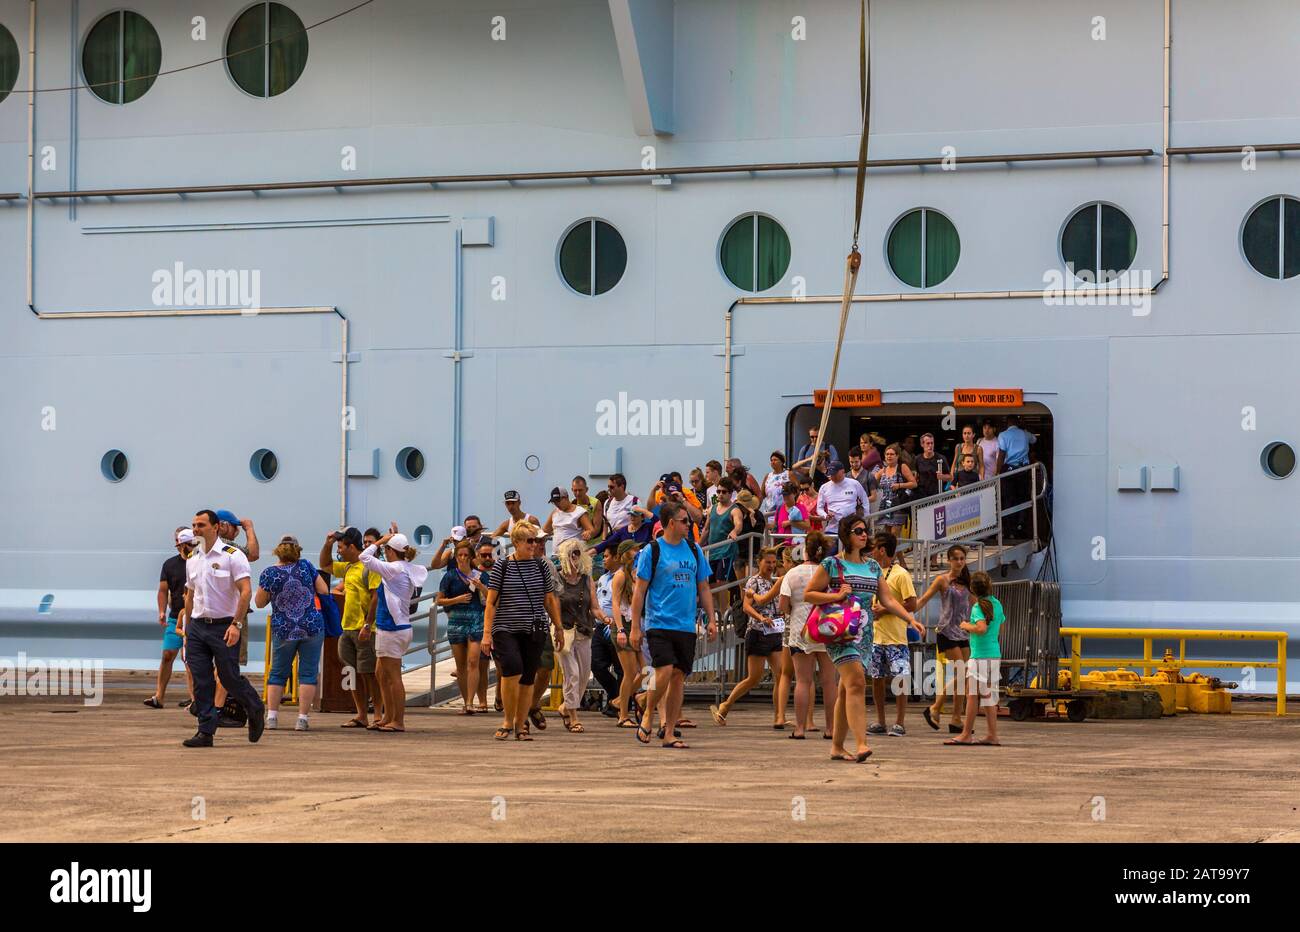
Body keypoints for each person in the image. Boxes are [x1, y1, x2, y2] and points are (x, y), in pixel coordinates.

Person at [802, 516, 920, 762]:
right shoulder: (832, 564)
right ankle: (861, 743)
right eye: (858, 531)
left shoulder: (873, 567)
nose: (864, 535)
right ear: (846, 535)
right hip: (840, 632)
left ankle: (836, 747)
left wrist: (909, 619)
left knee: (847, 690)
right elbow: (809, 594)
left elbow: (887, 600)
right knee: (856, 682)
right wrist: (834, 595)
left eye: (865, 531)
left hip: (865, 635)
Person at [630, 501, 716, 748]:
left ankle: (669, 731)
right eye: (684, 521)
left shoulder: (694, 549)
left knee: (678, 677)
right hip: (659, 622)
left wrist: (711, 618)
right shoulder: (652, 551)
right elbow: (639, 592)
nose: (689, 525)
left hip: (686, 624)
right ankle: (648, 714)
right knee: (664, 670)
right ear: (670, 523)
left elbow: (704, 586)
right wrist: (635, 626)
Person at [179, 510, 265, 747]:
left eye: (202, 525)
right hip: (197, 626)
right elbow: (190, 594)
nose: (196, 529)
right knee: (201, 680)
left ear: (216, 527)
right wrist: (187, 630)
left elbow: (246, 591)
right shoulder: (193, 557)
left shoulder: (233, 555)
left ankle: (254, 707)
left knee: (228, 677)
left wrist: (236, 624)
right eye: (194, 525)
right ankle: (205, 732)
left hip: (224, 626)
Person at [483, 522, 561, 741]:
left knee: (528, 676)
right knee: (512, 668)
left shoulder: (541, 566)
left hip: (534, 627)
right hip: (505, 627)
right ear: (516, 542)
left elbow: (549, 598)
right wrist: (486, 634)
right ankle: (508, 720)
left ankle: (520, 723)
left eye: (535, 540)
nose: (533, 544)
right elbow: (491, 603)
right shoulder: (502, 566)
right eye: (529, 540)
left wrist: (559, 627)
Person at [357, 524, 430, 733]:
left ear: (391, 551)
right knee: (381, 673)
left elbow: (364, 557)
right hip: (391, 627)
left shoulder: (394, 569)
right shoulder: (404, 567)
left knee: (393, 675)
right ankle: (388, 716)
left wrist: (379, 541)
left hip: (393, 628)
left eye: (385, 549)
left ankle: (398, 721)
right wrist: (394, 536)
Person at [255, 535, 328, 731]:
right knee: (308, 673)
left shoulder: (270, 573)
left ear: (278, 550)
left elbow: (259, 602)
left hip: (284, 628)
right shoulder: (306, 566)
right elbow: (324, 590)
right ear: (298, 550)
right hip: (311, 625)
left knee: (278, 672)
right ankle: (302, 719)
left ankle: (271, 717)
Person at [709, 548, 787, 727]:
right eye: (768, 562)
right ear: (759, 562)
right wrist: (760, 618)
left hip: (774, 631)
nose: (771, 566)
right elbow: (746, 607)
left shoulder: (774, 582)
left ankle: (779, 716)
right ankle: (726, 705)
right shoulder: (754, 581)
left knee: (780, 674)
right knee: (753, 678)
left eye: (774, 562)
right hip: (758, 632)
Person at [320, 527, 382, 729]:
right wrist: (328, 544)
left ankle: (378, 714)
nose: (339, 552)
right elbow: (326, 564)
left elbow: (376, 597)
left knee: (369, 673)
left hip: (364, 629)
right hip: (346, 628)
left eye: (340, 547)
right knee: (352, 671)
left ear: (352, 547)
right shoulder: (347, 567)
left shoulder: (369, 568)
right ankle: (361, 714)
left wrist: (367, 624)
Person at [779, 531, 838, 739]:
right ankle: (831, 728)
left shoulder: (792, 574)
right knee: (830, 681)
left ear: (805, 550)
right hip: (827, 629)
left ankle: (800, 728)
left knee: (803, 681)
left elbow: (783, 605)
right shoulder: (829, 572)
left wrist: (793, 611)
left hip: (800, 630)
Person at [914, 543, 974, 733]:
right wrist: (906, 614)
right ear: (949, 560)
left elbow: (975, 604)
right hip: (947, 631)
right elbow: (923, 599)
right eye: (955, 558)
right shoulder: (942, 580)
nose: (959, 562)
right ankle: (935, 707)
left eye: (962, 559)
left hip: (963, 631)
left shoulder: (967, 582)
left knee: (963, 677)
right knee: (961, 672)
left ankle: (956, 719)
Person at [867, 532, 922, 737]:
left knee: (900, 678)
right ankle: (880, 721)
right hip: (876, 635)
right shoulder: (873, 572)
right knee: (877, 678)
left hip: (896, 637)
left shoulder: (900, 574)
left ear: (882, 550)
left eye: (874, 547)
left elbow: (912, 603)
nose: (871, 551)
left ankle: (899, 722)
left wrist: (886, 609)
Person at [554, 539, 608, 733]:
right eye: (571, 554)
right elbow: (551, 606)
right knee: (573, 674)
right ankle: (574, 716)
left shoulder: (587, 579)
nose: (574, 557)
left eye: (577, 553)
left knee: (584, 675)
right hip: (564, 632)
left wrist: (604, 617)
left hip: (584, 631)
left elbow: (594, 607)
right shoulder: (557, 580)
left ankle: (565, 707)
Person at [946, 571, 1003, 747]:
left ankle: (966, 734)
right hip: (994, 654)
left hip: (979, 656)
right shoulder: (997, 604)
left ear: (973, 589)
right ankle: (992, 735)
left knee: (972, 695)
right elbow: (1000, 624)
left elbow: (981, 628)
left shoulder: (978, 607)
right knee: (988, 697)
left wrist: (966, 625)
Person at [212, 509, 258, 719]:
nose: (237, 531)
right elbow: (254, 554)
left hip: (213, 613)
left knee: (219, 664)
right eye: (234, 527)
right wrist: (249, 527)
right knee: (229, 664)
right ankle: (220, 707)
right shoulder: (227, 547)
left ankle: (213, 704)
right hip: (233, 614)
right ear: (222, 525)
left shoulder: (206, 548)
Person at [145, 528, 196, 710]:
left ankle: (194, 699)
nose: (187, 547)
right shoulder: (170, 565)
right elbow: (162, 590)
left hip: (195, 618)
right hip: (176, 616)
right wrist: (161, 611)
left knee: (190, 660)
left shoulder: (199, 562)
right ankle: (159, 696)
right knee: (167, 655)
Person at [437, 541, 490, 714]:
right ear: (456, 557)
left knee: (473, 661)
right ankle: (465, 700)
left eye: (466, 555)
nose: (463, 558)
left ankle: (469, 702)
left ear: (471, 557)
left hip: (476, 618)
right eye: (460, 555)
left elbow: (491, 597)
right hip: (456, 619)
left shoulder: (480, 575)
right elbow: (439, 600)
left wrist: (481, 586)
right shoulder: (450, 576)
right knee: (460, 665)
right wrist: (456, 600)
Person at [608, 542, 645, 727]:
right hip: (623, 625)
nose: (637, 552)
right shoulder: (620, 576)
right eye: (634, 549)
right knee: (629, 673)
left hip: (636, 624)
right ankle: (623, 714)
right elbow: (615, 603)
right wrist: (621, 629)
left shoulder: (636, 573)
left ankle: (620, 701)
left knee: (648, 672)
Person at [590, 548, 624, 717]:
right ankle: (615, 695)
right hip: (600, 625)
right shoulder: (603, 578)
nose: (603, 559)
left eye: (606, 556)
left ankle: (620, 704)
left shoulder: (623, 576)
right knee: (597, 666)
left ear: (617, 557)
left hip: (616, 625)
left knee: (620, 668)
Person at [814, 460, 869, 554]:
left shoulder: (854, 484)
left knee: (850, 555)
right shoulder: (824, 487)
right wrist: (825, 515)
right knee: (828, 555)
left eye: (835, 473)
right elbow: (819, 508)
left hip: (851, 527)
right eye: (831, 474)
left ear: (842, 471)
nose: (832, 476)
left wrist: (865, 519)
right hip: (833, 527)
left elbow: (865, 501)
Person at [702, 477, 742, 604]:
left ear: (730, 493)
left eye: (724, 492)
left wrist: (734, 531)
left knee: (721, 582)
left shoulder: (734, 509)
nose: (720, 494)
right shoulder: (712, 509)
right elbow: (706, 529)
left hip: (726, 551)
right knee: (711, 584)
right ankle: (717, 613)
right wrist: (697, 545)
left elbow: (738, 524)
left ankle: (725, 614)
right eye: (718, 491)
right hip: (712, 551)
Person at [997, 415, 1037, 539]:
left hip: (1009, 471)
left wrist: (997, 472)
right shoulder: (1024, 434)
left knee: (1009, 499)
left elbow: (1002, 454)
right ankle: (1021, 524)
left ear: (1007, 423)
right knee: (1023, 498)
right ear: (1017, 422)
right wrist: (1024, 428)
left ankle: (1011, 528)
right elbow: (1034, 440)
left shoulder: (1003, 435)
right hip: (1023, 470)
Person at [873, 445, 917, 536]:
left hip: (898, 504)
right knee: (887, 534)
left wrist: (899, 485)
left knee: (894, 533)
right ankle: (896, 550)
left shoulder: (902, 467)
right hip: (886, 505)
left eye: (892, 454)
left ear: (897, 456)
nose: (889, 456)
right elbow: (871, 482)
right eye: (887, 454)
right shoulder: (882, 471)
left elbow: (914, 483)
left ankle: (896, 550)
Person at [543, 486, 595, 550]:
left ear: (566, 497)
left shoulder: (579, 512)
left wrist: (588, 533)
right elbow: (545, 530)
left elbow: (591, 530)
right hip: (556, 555)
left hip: (573, 555)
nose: (556, 504)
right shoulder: (555, 512)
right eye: (554, 502)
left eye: (558, 501)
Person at [913, 433, 950, 500]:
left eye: (932, 443)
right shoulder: (917, 459)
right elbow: (915, 475)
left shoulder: (941, 458)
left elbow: (950, 477)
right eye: (928, 443)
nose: (930, 446)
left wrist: (942, 476)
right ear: (922, 444)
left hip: (937, 494)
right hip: (922, 495)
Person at [774, 481, 809, 547]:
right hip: (781, 545)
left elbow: (807, 526)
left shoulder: (801, 508)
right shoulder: (779, 508)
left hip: (796, 546)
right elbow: (775, 526)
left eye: (788, 494)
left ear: (795, 494)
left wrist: (790, 522)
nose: (785, 497)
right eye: (784, 494)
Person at [759, 452, 791, 520]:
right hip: (769, 513)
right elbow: (761, 495)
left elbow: (796, 490)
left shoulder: (788, 474)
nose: (773, 462)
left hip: (784, 513)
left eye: (775, 460)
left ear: (782, 462)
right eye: (771, 460)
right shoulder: (768, 476)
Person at [977, 420, 1000, 485]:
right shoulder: (979, 441)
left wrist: (996, 476)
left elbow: (999, 462)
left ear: (994, 429)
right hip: (978, 478)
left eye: (989, 428)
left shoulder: (997, 442)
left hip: (991, 479)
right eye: (984, 427)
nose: (986, 430)